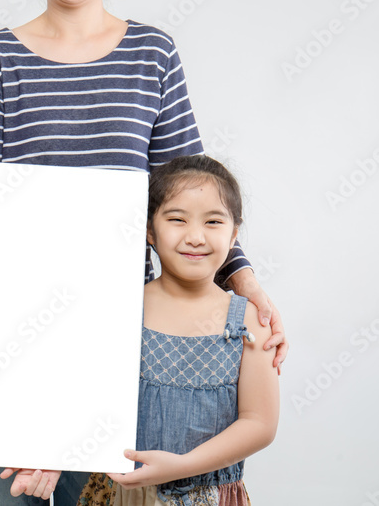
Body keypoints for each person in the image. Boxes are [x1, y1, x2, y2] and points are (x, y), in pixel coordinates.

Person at [0, 0, 288, 504]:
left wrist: (245, 281)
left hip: (118, 336)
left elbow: (191, 193)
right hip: (12, 332)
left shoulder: (152, 54)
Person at [55, 154, 279, 504]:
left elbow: (260, 424)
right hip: (120, 495)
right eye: (177, 219)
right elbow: (80, 396)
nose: (195, 237)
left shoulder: (250, 321)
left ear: (234, 234)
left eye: (213, 222)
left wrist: (182, 465)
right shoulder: (123, 311)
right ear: (150, 230)